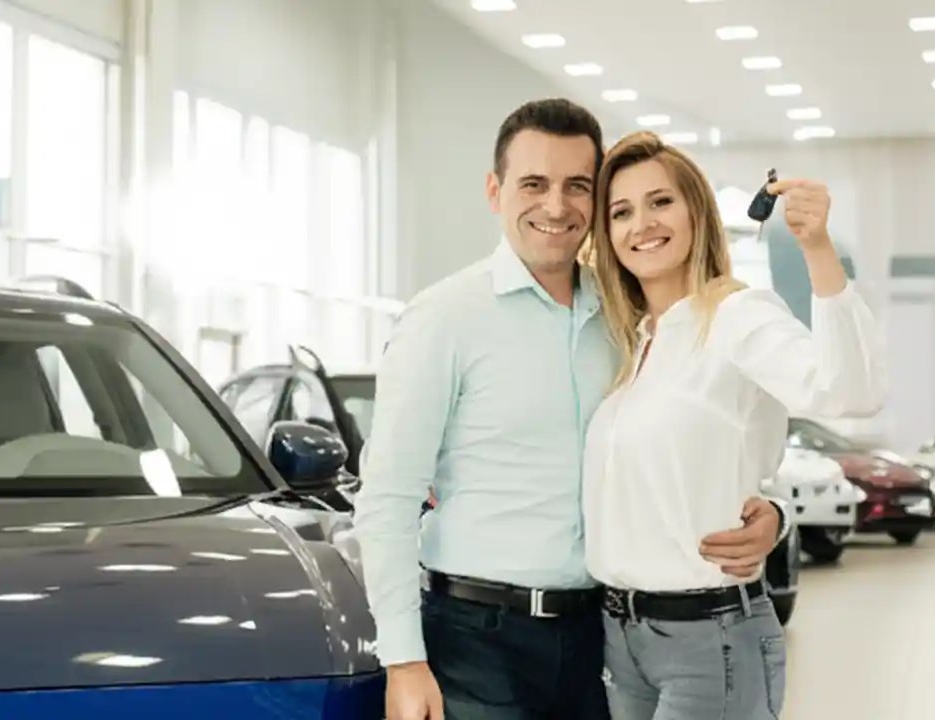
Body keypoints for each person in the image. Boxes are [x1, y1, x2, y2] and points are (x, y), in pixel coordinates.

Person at [353, 99, 792, 720]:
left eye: (577, 186)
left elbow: (710, 439)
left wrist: (772, 512)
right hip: (478, 642)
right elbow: (388, 497)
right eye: (534, 184)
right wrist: (403, 661)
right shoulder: (443, 318)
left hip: (600, 639)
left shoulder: (629, 320)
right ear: (495, 191)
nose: (556, 206)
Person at [583, 130, 886, 719]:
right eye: (621, 212)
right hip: (620, 637)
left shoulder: (737, 315)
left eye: (660, 201)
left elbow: (850, 391)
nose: (642, 223)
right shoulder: (634, 343)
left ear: (696, 212)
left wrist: (817, 249)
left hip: (709, 637)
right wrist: (773, 509)